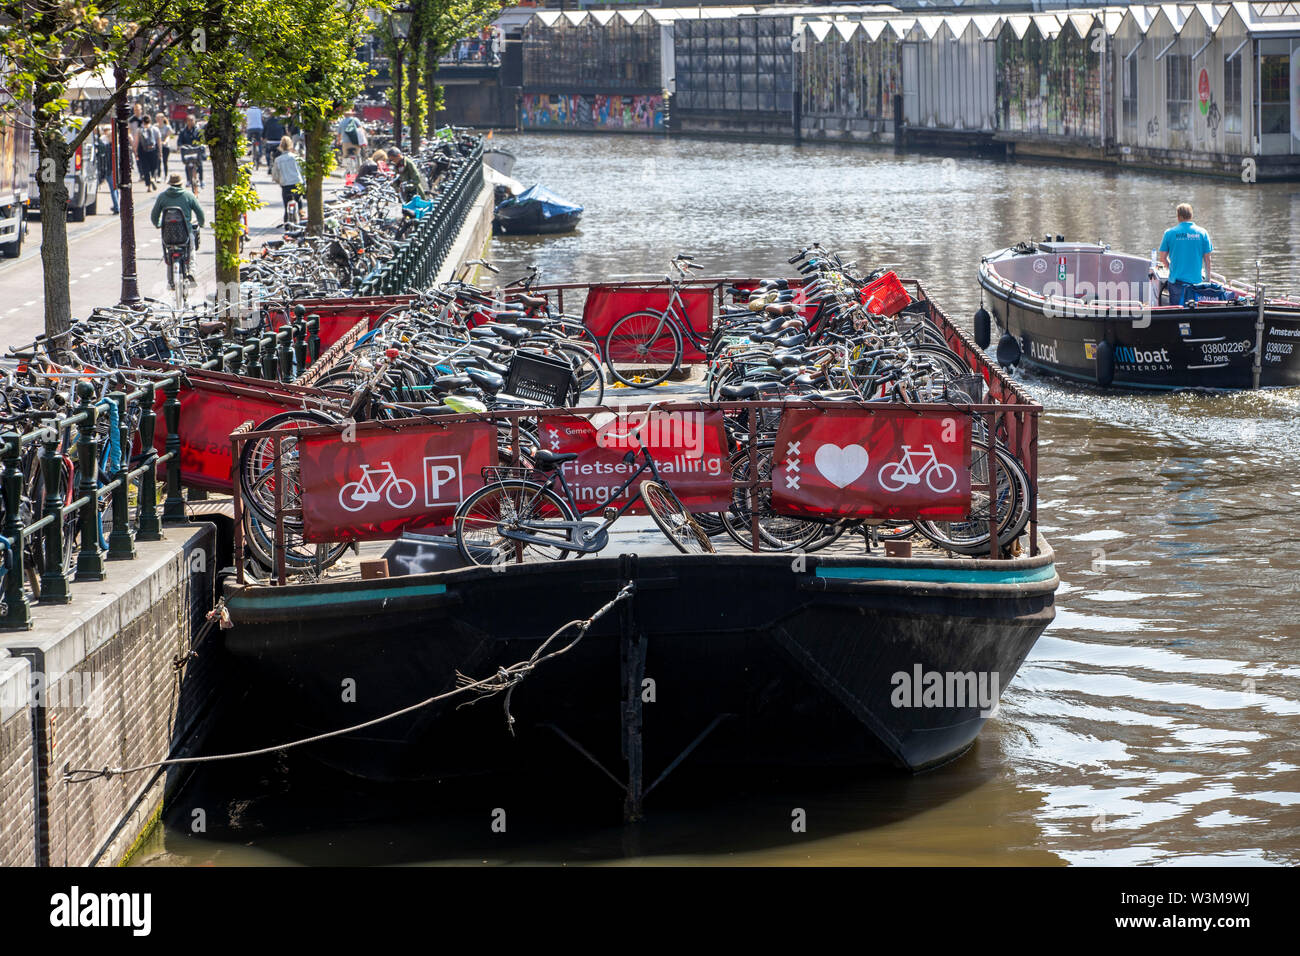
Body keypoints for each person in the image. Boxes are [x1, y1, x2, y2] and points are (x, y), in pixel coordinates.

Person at [150, 172, 205, 280]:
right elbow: (200, 213)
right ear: (181, 184)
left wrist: (158, 224)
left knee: (169, 251)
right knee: (191, 249)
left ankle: (170, 280)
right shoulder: (188, 196)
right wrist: (201, 223)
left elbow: (154, 215)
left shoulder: (162, 197)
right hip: (185, 232)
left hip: (168, 234)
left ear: (170, 183)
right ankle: (192, 272)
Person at [1158, 203, 1214, 306]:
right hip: (1196, 282)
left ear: (1178, 216)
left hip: (1176, 282)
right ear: (1191, 215)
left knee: (1177, 311)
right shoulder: (1202, 233)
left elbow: (1162, 258)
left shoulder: (1169, 233)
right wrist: (1208, 279)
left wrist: (1172, 268)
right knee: (1194, 310)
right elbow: (1207, 259)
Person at [270, 135, 305, 223]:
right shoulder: (296, 158)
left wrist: (279, 181)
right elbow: (303, 171)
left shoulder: (278, 160)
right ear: (291, 145)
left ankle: (287, 227)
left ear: (281, 146)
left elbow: (275, 175)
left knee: (286, 207)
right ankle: (301, 213)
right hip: (297, 183)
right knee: (299, 200)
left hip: (286, 185)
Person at [95, 124, 118, 214]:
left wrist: (106, 172)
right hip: (116, 171)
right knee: (115, 189)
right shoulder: (118, 146)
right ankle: (117, 205)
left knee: (113, 190)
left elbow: (106, 160)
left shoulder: (108, 147)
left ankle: (116, 206)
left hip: (110, 171)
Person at [176, 114, 205, 188]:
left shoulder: (198, 130)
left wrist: (202, 145)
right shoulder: (183, 131)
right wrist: (180, 146)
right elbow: (179, 141)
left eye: (192, 120)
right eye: (189, 120)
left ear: (195, 121)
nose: (191, 122)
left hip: (197, 150)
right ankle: (188, 180)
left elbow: (202, 140)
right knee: (187, 165)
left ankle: (201, 180)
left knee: (200, 164)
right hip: (187, 152)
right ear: (186, 121)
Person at [136, 114, 161, 191]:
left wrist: (136, 152)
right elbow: (159, 141)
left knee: (145, 168)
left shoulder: (139, 130)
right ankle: (153, 178)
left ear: (142, 121)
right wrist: (160, 152)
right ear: (150, 120)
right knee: (154, 166)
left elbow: (136, 142)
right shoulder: (155, 129)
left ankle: (149, 186)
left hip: (142, 151)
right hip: (153, 150)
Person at [155, 112, 175, 177]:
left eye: (159, 118)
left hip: (165, 146)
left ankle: (166, 176)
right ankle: (159, 176)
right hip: (157, 146)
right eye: (157, 118)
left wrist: (165, 142)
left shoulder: (167, 127)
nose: (158, 119)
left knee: (165, 161)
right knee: (158, 161)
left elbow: (168, 136)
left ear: (163, 118)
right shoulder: (155, 127)